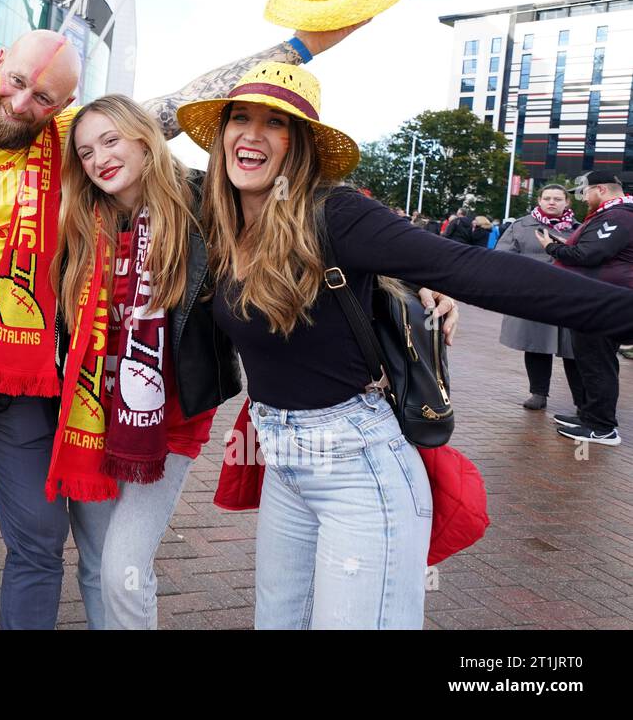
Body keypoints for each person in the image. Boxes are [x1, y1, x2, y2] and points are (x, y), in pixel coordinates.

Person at [0, 22, 362, 629]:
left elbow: (185, 101)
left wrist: (302, 44)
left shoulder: (76, 145)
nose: (23, 103)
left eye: (44, 97)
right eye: (16, 82)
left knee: (39, 532)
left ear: (64, 104)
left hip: (25, 371)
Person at [176, 61, 633, 629]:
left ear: (300, 147)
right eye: (239, 118)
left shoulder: (335, 214)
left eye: (276, 124)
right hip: (284, 462)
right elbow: (123, 152)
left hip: (357, 464)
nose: (251, 134)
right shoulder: (216, 220)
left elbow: (466, 266)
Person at [50, 95, 239, 629]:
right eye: (86, 152)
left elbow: (307, 231)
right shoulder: (81, 222)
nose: (99, 159)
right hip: (92, 415)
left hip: (169, 421)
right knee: (94, 563)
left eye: (111, 141)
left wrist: (409, 285)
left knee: (123, 566)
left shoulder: (204, 203)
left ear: (143, 139)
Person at [536, 169, 633, 445]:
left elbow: (590, 254)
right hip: (600, 299)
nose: (584, 198)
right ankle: (591, 416)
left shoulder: (619, 216)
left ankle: (601, 427)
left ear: (601, 190)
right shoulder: (616, 215)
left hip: (604, 302)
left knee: (597, 363)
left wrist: (551, 247)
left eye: (587, 192)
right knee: (592, 361)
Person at [494, 184, 579, 410]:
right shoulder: (521, 226)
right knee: (536, 346)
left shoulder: (580, 229)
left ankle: (582, 401)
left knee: (574, 350)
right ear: (539, 200)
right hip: (534, 296)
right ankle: (538, 393)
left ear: (566, 203)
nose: (552, 202)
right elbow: (502, 256)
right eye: (547, 198)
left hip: (570, 297)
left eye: (557, 199)